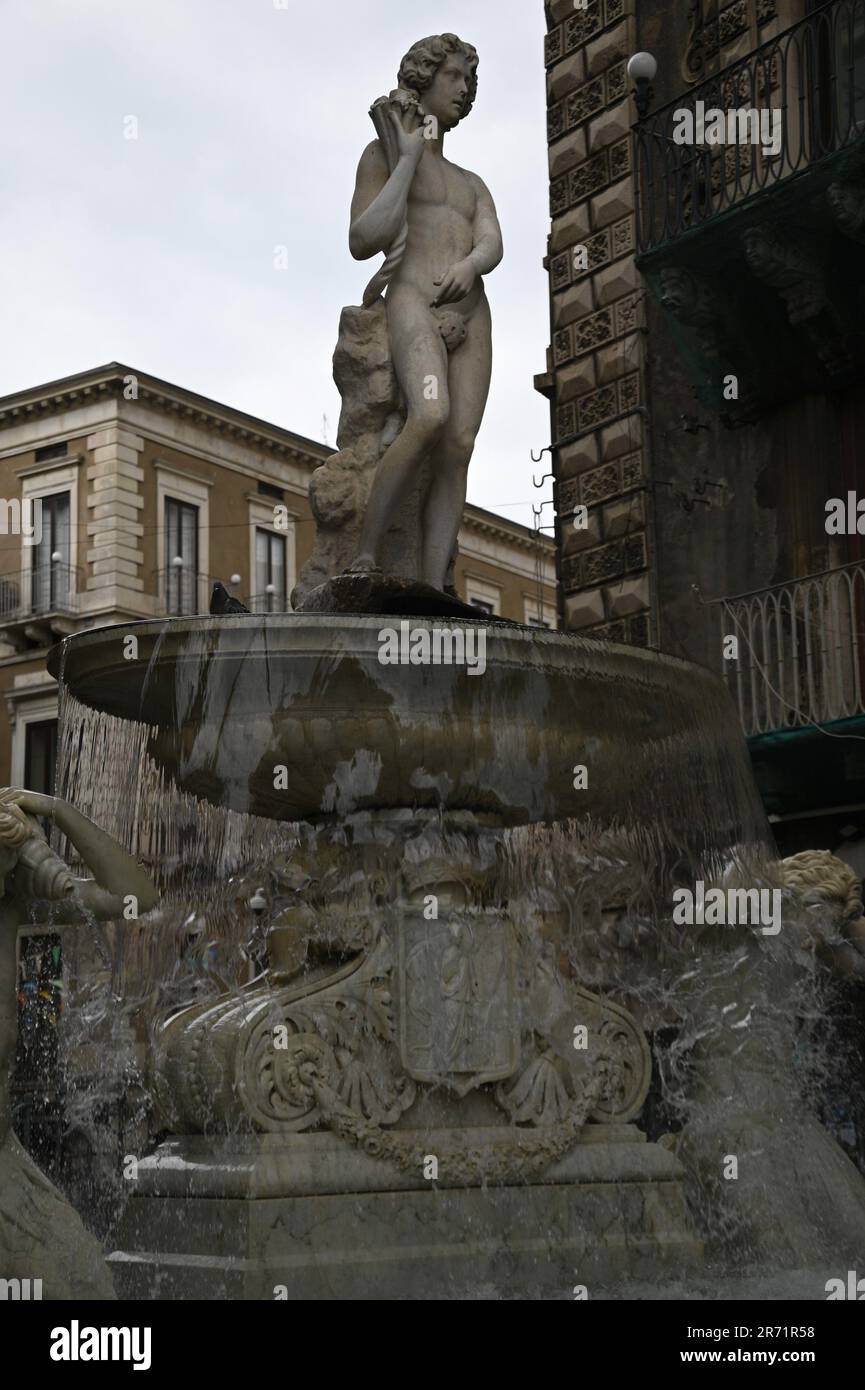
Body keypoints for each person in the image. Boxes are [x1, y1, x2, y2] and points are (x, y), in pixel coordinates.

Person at [347, 34, 503, 591]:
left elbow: (492, 242)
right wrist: (408, 159)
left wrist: (472, 266)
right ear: (424, 78)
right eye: (455, 77)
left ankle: (436, 584)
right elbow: (364, 239)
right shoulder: (384, 156)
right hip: (412, 297)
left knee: (459, 445)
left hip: (472, 312)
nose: (465, 89)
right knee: (430, 415)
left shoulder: (471, 182)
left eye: (470, 80)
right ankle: (366, 551)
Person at [0, 787, 157, 1299]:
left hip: (5, 1168)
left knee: (85, 1285)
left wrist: (57, 811)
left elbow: (135, 898)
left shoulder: (13, 903)